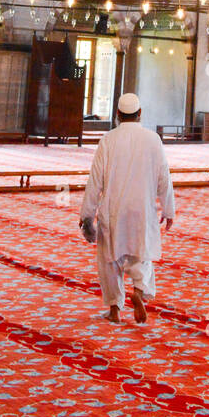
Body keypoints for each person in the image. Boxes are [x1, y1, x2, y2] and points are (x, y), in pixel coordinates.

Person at [79, 92, 175, 325]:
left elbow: (95, 181)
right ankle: (139, 293)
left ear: (118, 115)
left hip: (113, 211)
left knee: (109, 260)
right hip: (142, 210)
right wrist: (169, 210)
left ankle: (114, 309)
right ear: (140, 114)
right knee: (141, 255)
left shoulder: (108, 140)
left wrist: (87, 215)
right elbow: (164, 177)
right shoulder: (153, 140)